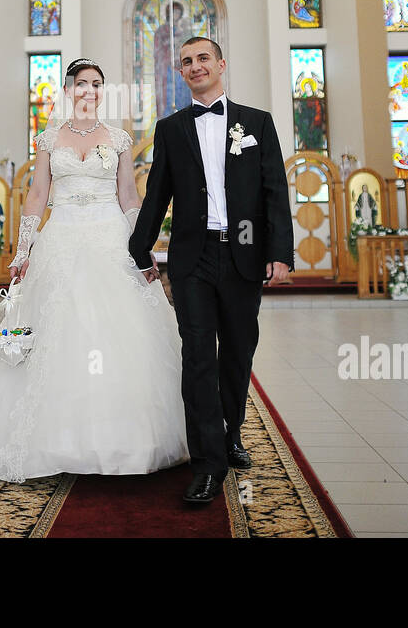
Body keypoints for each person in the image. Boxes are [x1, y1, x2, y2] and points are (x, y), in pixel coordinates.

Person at [0, 59, 188, 483]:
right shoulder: (51, 139)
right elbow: (38, 194)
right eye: (83, 83)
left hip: (111, 239)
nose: (90, 90)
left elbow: (129, 196)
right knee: (59, 327)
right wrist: (23, 248)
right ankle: (54, 441)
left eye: (97, 84)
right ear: (68, 89)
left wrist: (142, 248)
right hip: (64, 237)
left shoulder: (120, 138)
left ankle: (126, 439)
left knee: (119, 330)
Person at [129, 36, 294, 505]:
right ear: (181, 73)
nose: (196, 66)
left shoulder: (256, 123)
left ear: (221, 63)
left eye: (203, 58)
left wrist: (279, 251)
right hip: (192, 256)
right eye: (187, 62)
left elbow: (274, 191)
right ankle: (206, 464)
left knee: (238, 352)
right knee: (198, 355)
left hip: (243, 249)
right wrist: (139, 248)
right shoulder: (171, 128)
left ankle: (232, 430)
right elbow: (158, 192)